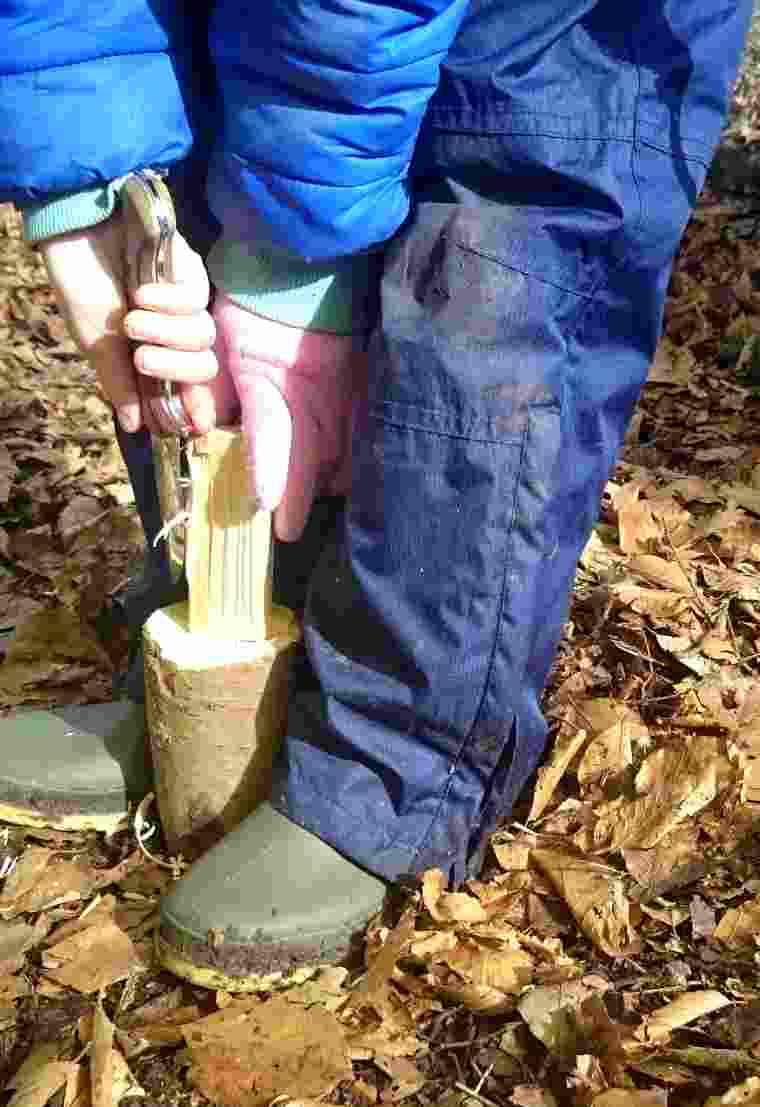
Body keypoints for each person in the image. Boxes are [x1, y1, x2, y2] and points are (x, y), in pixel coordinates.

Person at [0, 0, 752, 989]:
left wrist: (288, 258)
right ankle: (229, 698)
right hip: (300, 28)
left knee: (492, 281)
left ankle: (388, 773)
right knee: (212, 174)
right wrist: (87, 165)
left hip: (558, 33)